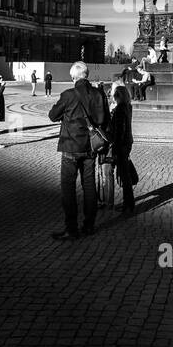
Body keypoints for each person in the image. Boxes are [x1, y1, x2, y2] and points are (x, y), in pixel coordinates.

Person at [47, 61, 107, 240]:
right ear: (86, 75)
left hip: (70, 148)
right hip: (90, 147)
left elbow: (52, 116)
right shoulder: (98, 94)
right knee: (89, 187)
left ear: (73, 77)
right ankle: (89, 225)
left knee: (68, 189)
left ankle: (71, 229)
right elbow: (105, 120)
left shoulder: (68, 95)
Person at [110, 83, 136, 215]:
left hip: (121, 144)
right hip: (128, 142)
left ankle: (128, 205)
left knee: (125, 176)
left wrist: (115, 149)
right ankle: (128, 203)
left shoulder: (120, 109)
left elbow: (119, 131)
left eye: (115, 96)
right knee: (125, 175)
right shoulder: (128, 107)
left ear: (118, 96)